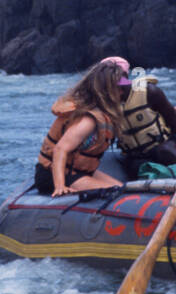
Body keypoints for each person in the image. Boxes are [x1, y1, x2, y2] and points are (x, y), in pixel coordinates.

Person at [35, 61, 127, 196]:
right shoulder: (88, 120)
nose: (121, 92)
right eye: (118, 88)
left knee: (123, 188)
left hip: (78, 171)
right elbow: (60, 149)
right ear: (106, 91)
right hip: (53, 175)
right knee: (117, 193)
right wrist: (60, 186)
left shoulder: (102, 114)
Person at [99, 56, 176, 180]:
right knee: (137, 167)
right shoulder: (106, 105)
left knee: (166, 151)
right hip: (136, 155)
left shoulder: (150, 92)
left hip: (162, 145)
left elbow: (174, 122)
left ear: (125, 76)